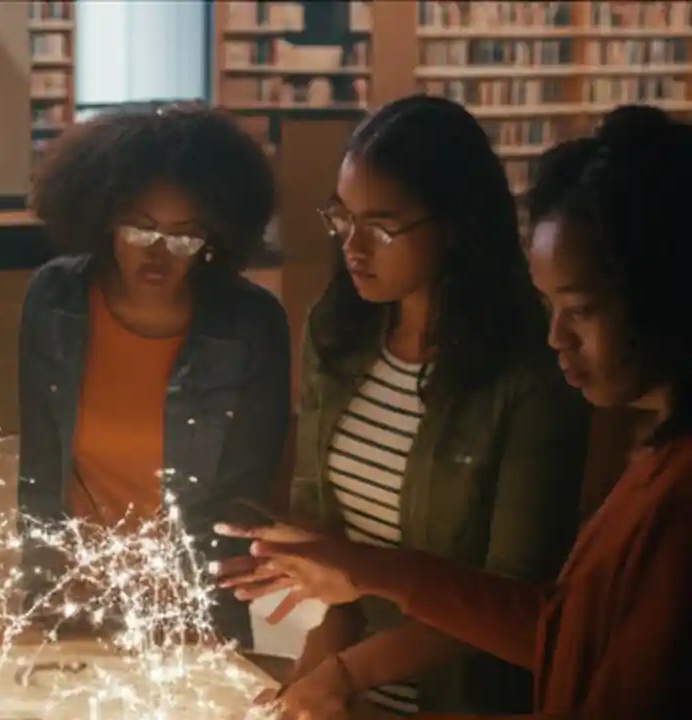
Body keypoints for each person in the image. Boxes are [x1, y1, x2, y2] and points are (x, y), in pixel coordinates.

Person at [219, 105, 692, 719]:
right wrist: (321, 668)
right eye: (343, 217)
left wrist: (351, 635)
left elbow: (532, 608)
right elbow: (563, 627)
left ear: (456, 227)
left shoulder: (538, 381)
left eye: (383, 226)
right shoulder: (337, 331)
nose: (353, 246)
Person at [17, 105, 290, 647]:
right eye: (141, 227)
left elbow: (245, 495)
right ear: (104, 216)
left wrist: (198, 617)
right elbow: (40, 467)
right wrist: (43, 594)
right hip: (70, 597)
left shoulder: (251, 325)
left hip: (192, 607)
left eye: (185, 236)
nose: (159, 253)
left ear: (214, 237)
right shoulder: (55, 299)